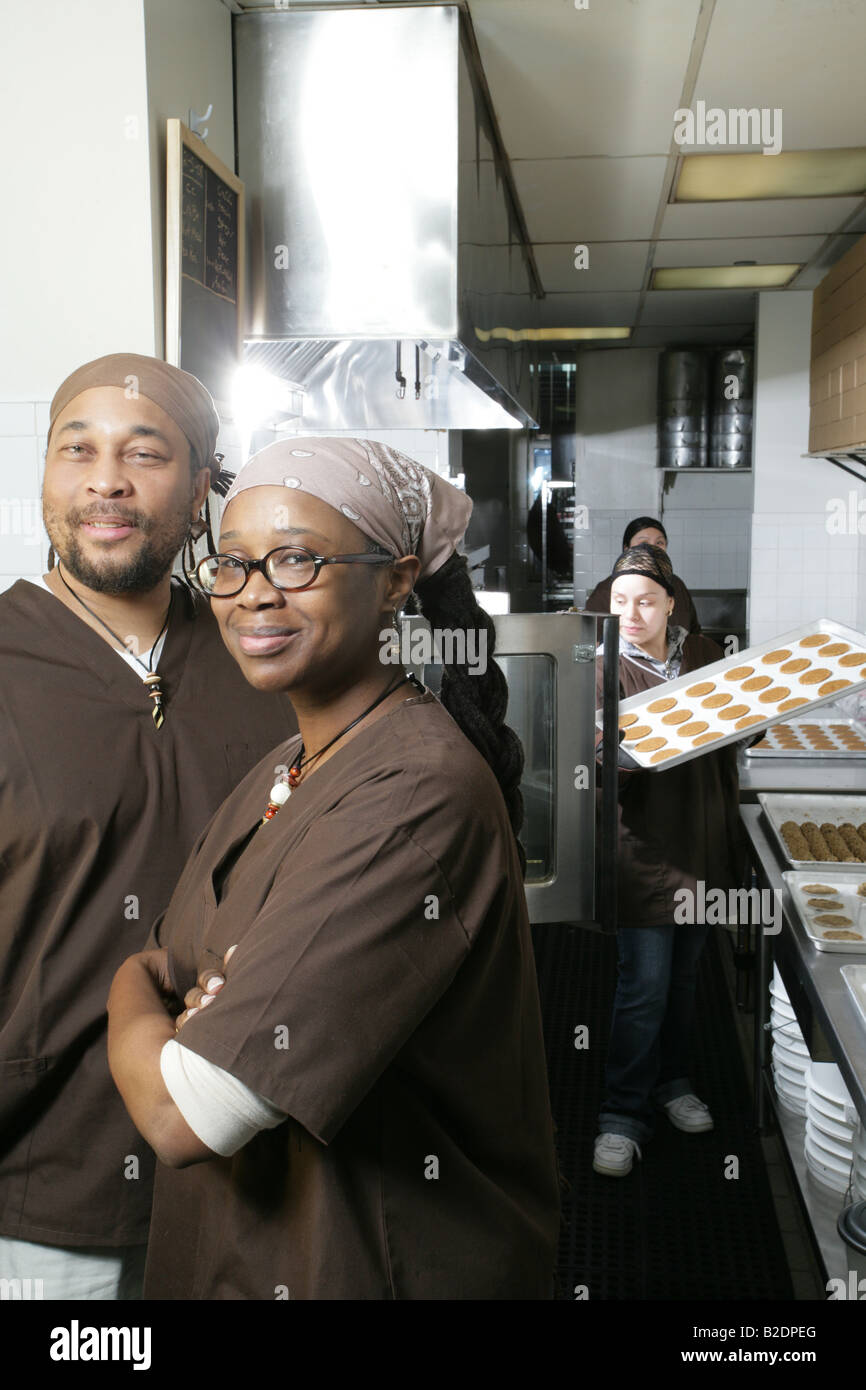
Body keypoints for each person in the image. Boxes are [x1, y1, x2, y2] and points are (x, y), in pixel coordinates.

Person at [107, 437, 562, 1300]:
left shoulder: (410, 795)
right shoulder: (292, 764)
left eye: (299, 559)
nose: (255, 593)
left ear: (395, 580)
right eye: (232, 565)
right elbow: (167, 959)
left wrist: (136, 993)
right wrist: (161, 991)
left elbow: (185, 1113)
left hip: (375, 1263)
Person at [0, 354, 296, 1299]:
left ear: (207, 484)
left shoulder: (263, 656)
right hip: (50, 1204)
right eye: (75, 449)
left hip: (260, 1177)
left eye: (146, 452)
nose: (105, 480)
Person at [592, 543, 742, 1178]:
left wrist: (753, 717)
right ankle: (622, 1114)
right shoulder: (601, 668)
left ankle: (673, 1082)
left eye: (645, 601)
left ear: (671, 604)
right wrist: (610, 755)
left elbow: (741, 722)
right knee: (644, 987)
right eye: (621, 602)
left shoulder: (705, 657)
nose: (632, 613)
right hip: (644, 853)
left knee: (685, 982)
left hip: (701, 844)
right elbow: (592, 759)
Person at [585, 516, 700, 636]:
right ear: (627, 549)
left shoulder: (677, 585)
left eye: (659, 542)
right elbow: (592, 639)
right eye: (643, 543)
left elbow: (694, 632)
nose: (653, 548)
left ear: (670, 603)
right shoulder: (604, 591)